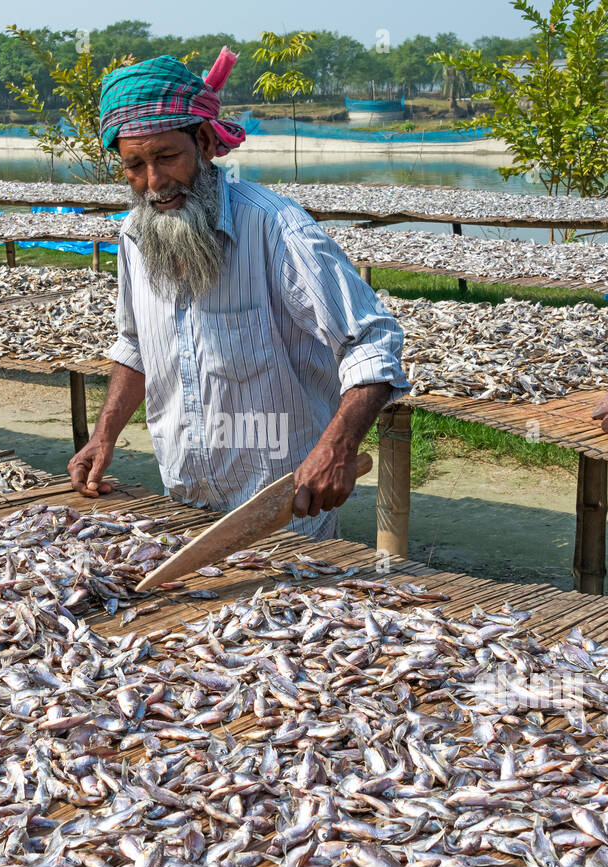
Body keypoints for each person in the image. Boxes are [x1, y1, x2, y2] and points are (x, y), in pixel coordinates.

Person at [68, 46, 409, 540]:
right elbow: (136, 345)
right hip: (185, 501)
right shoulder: (135, 236)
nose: (154, 182)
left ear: (204, 142)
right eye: (134, 165)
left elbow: (372, 342)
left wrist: (336, 447)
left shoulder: (275, 228)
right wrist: (104, 435)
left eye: (166, 157)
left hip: (285, 509)